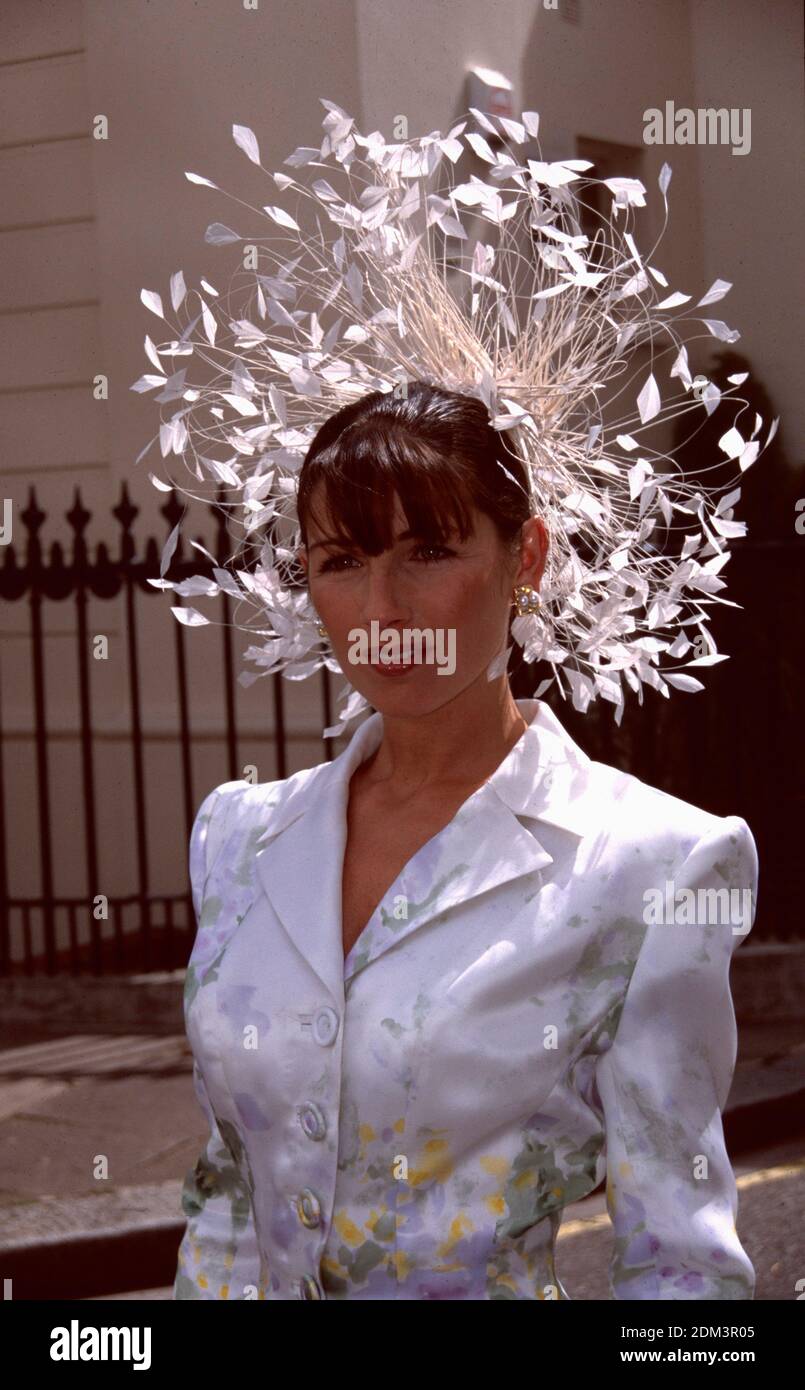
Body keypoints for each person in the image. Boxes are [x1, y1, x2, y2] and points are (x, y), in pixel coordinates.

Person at [172, 380, 758, 1300]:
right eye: (341, 560)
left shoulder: (651, 863)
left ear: (524, 555)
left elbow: (679, 1265)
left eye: (428, 552)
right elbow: (226, 1199)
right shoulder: (237, 838)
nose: (382, 608)